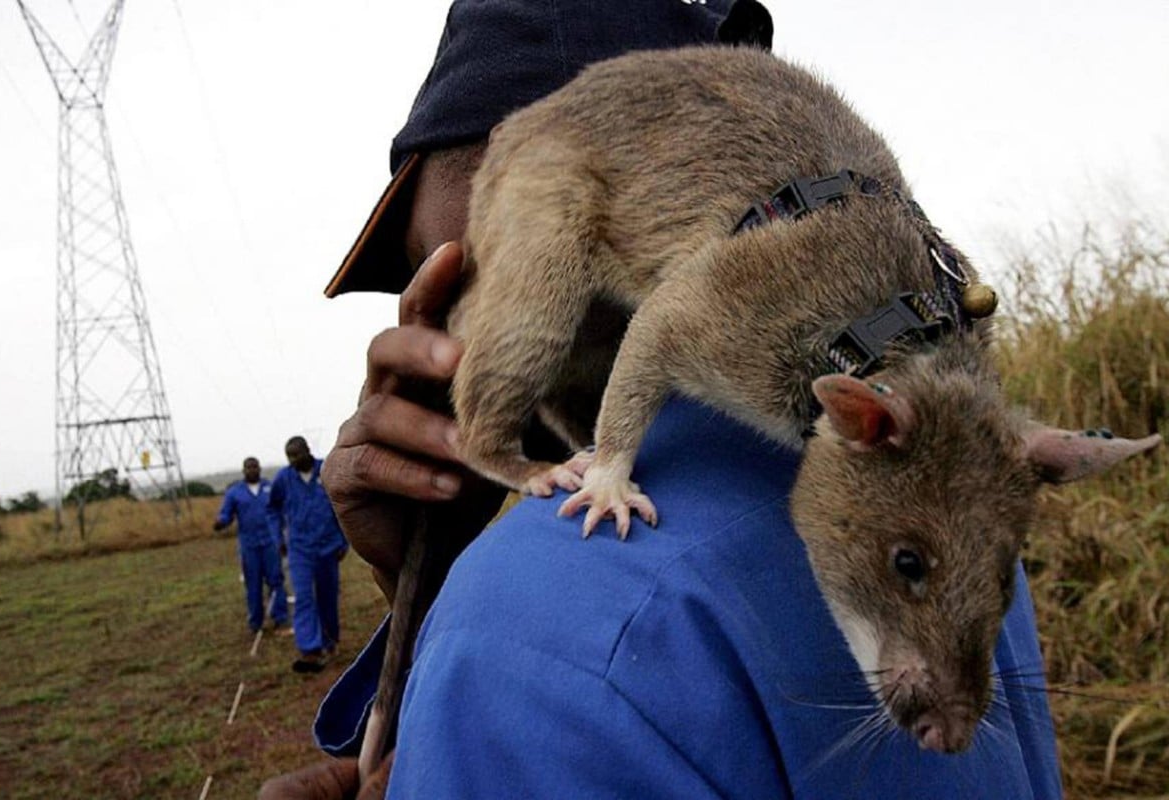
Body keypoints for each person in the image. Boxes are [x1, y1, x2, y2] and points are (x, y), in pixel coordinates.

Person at [262, 2, 1063, 798]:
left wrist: (483, 608)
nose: (426, 323)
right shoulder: (963, 504)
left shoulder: (535, 623)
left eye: (456, 267)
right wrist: (435, 572)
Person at [269, 436, 349, 673]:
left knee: (327, 596)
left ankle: (329, 640)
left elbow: (343, 505)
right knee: (303, 596)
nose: (293, 460)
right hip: (299, 548)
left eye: (297, 454)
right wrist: (278, 538)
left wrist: (344, 541)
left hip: (328, 546)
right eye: (289, 456)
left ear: (307, 451)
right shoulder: (284, 479)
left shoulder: (327, 470)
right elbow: (272, 509)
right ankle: (310, 650)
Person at [213, 456, 289, 636]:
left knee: (276, 580)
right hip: (249, 546)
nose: (252, 470)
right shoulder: (234, 492)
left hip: (270, 543)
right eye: (248, 467)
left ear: (260, 469)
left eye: (255, 467)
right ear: (243, 470)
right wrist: (221, 522)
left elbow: (282, 511)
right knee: (253, 584)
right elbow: (226, 514)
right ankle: (256, 623)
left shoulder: (270, 488)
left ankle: (280, 619)